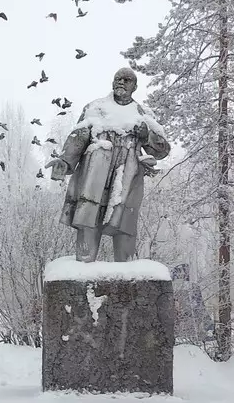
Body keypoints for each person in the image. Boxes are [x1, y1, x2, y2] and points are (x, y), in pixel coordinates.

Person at [46, 68, 170, 262]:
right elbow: (79, 136)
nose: (121, 82)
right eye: (118, 79)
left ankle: (127, 271)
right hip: (95, 173)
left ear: (135, 87)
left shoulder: (143, 114)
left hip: (127, 176)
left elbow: (162, 150)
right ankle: (83, 267)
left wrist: (147, 136)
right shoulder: (96, 107)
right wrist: (65, 161)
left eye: (127, 80)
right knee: (89, 218)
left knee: (126, 225)